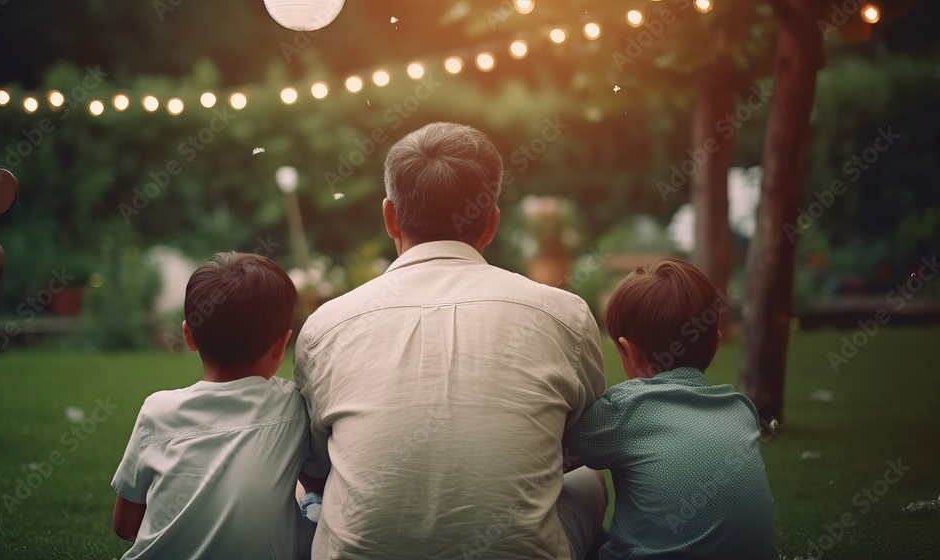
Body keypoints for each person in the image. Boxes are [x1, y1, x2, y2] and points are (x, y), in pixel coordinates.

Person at [293, 122, 607, 560]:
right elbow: (580, 443)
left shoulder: (325, 326)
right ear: (492, 222)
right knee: (589, 476)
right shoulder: (564, 315)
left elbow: (317, 466)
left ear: (390, 217)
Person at [111, 252, 328, 560]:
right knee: (312, 502)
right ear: (282, 344)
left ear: (189, 336)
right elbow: (320, 475)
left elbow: (124, 525)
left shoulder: (156, 411)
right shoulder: (293, 405)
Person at [564, 257, 777, 560]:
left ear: (630, 352)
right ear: (715, 344)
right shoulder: (741, 411)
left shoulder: (626, 408)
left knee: (582, 496)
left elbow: (552, 451)